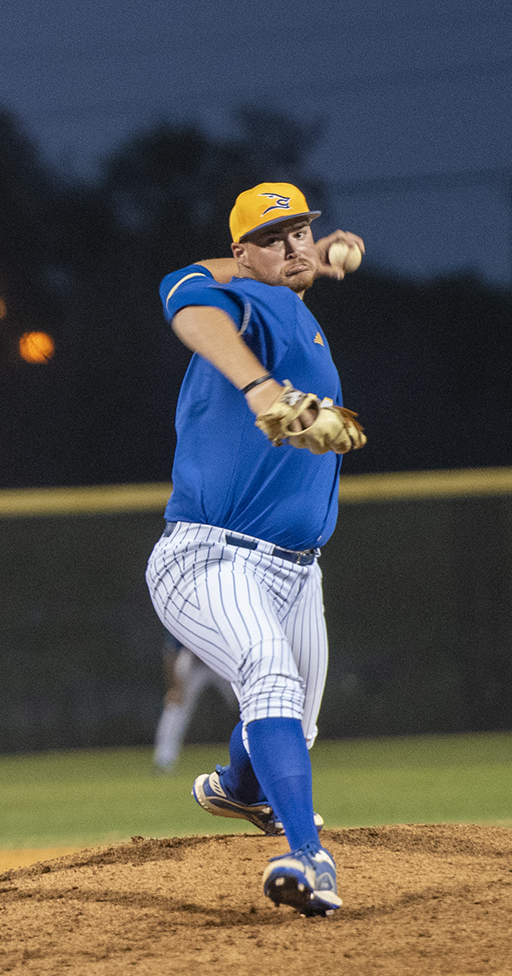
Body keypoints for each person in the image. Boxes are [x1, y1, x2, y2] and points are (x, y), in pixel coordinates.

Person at [145, 182, 366, 916]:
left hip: (298, 573)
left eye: (303, 229)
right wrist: (258, 386)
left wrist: (321, 257)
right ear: (241, 254)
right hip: (209, 556)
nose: (294, 243)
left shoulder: (299, 317)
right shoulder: (240, 309)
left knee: (293, 725)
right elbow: (182, 292)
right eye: (273, 237)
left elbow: (299, 261)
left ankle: (238, 788)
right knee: (267, 672)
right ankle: (308, 858)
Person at [151, 633, 238, 774]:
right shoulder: (189, 613)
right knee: (176, 706)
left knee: (249, 702)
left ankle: (257, 756)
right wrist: (174, 687)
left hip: (223, 659)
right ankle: (164, 760)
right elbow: (171, 653)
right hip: (194, 661)